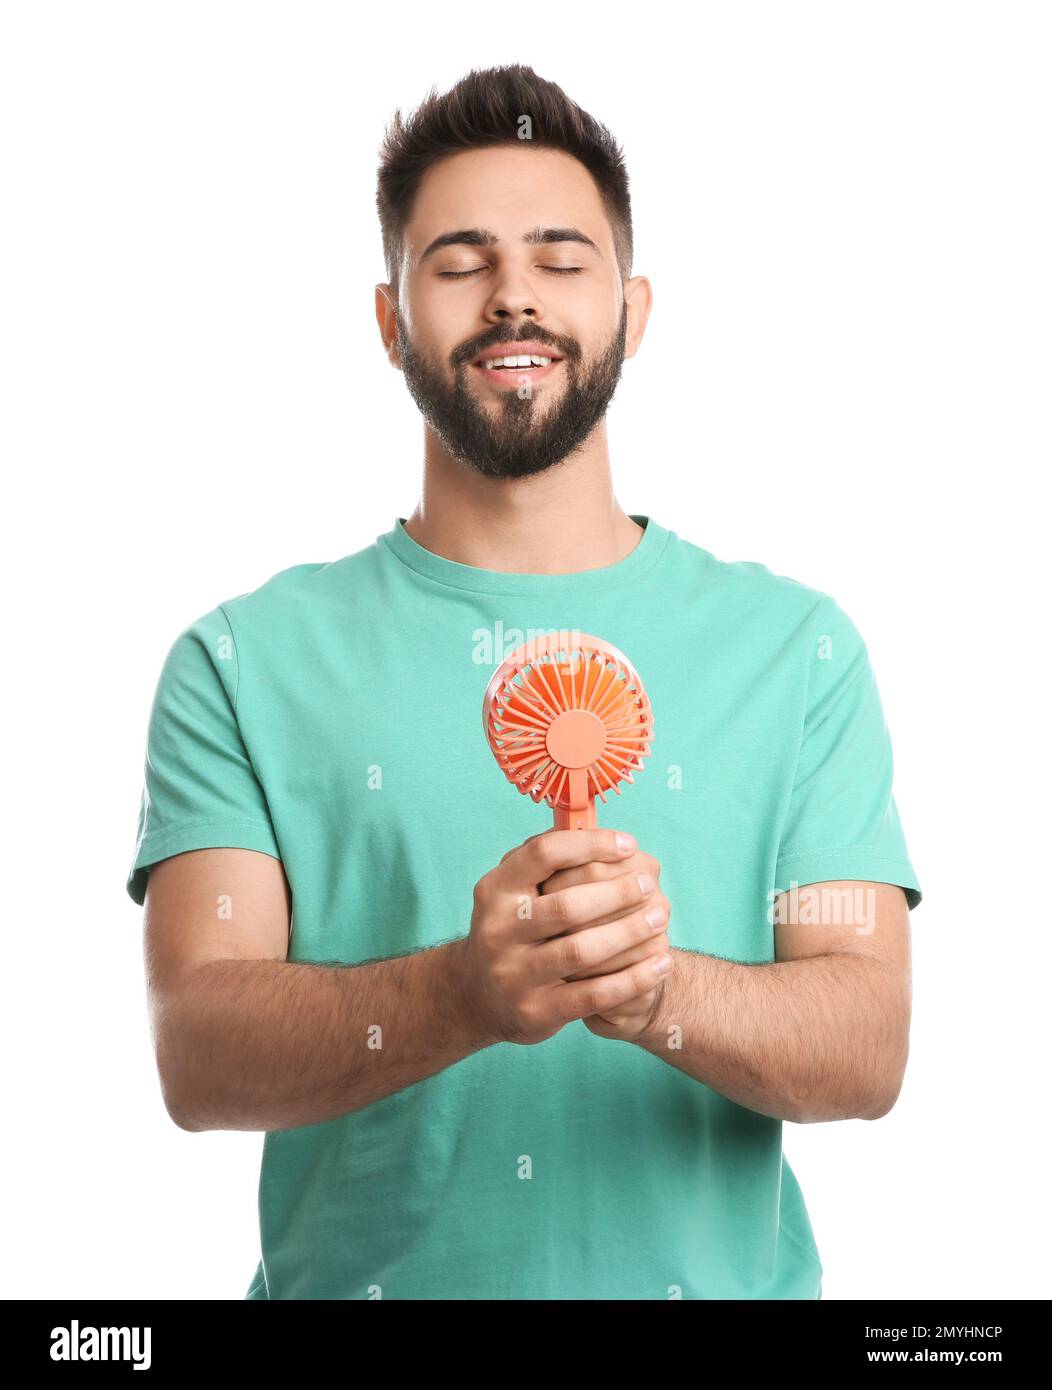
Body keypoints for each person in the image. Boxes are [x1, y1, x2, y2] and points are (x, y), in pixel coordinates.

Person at [126, 63, 921, 1301]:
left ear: (632, 310)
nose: (512, 298)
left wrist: (659, 990)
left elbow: (865, 1047)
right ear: (390, 321)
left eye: (560, 259)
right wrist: (460, 992)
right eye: (457, 261)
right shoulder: (241, 662)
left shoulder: (797, 652)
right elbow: (201, 1053)